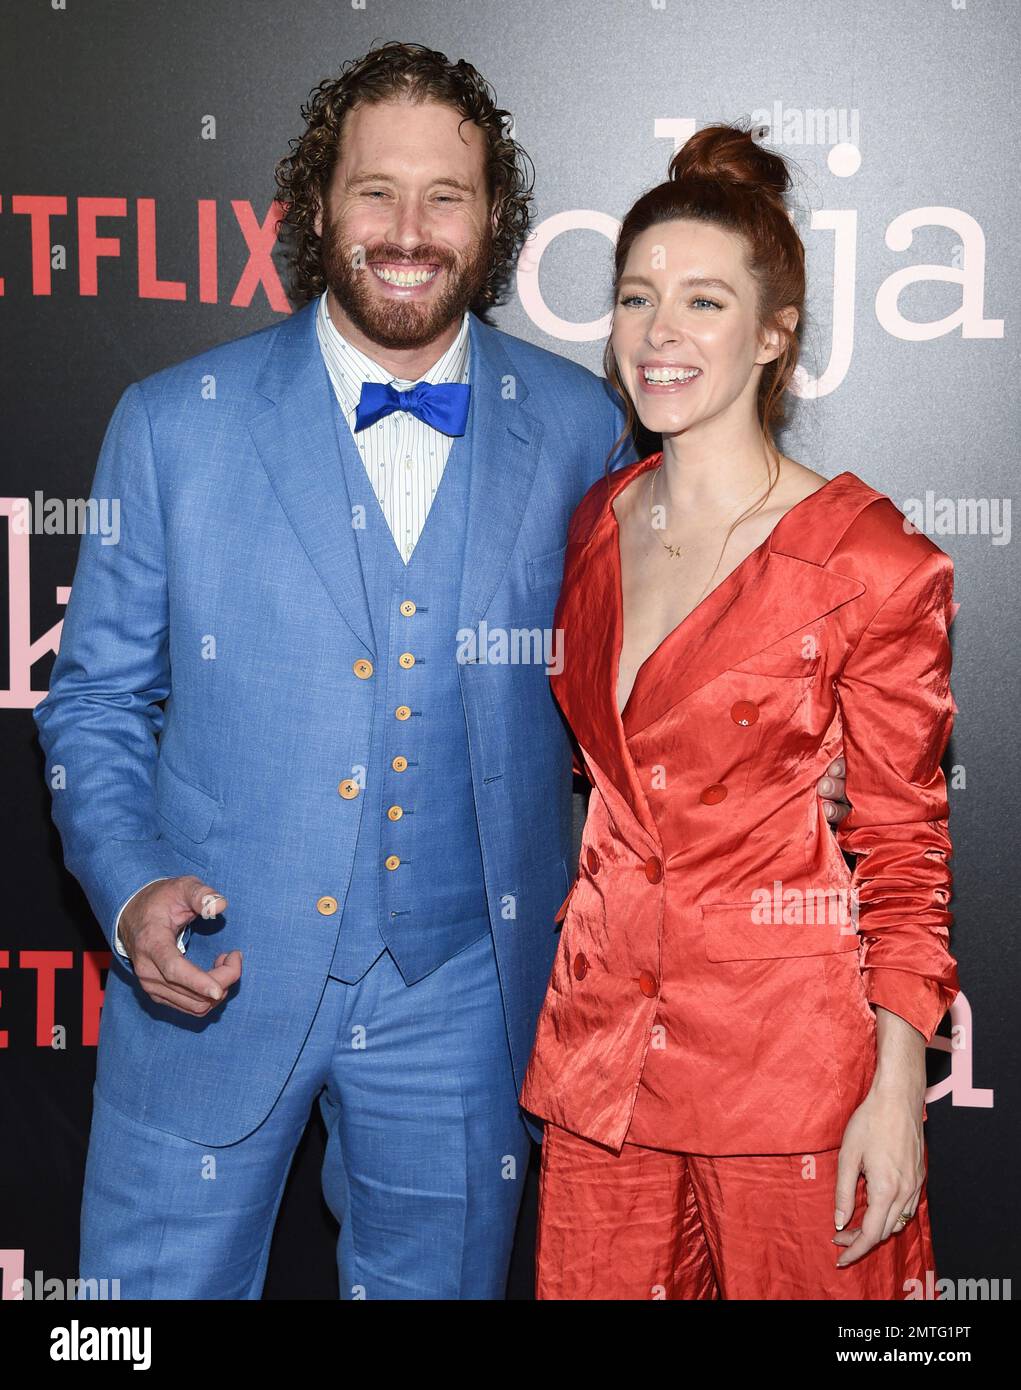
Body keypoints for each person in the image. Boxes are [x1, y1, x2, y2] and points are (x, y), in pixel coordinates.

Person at [34, 46, 847, 1301]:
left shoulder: (583, 425)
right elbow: (93, 699)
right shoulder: (172, 422)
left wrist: (781, 765)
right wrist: (133, 885)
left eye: (446, 196)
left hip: (466, 997)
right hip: (211, 980)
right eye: (375, 190)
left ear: (493, 218)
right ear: (317, 207)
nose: (408, 231)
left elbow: (650, 674)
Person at [519, 122, 960, 1301]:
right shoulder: (598, 522)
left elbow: (906, 851)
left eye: (703, 302)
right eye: (635, 297)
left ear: (774, 335)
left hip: (791, 1081)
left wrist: (894, 1090)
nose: (658, 331)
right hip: (601, 1067)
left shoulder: (869, 561)